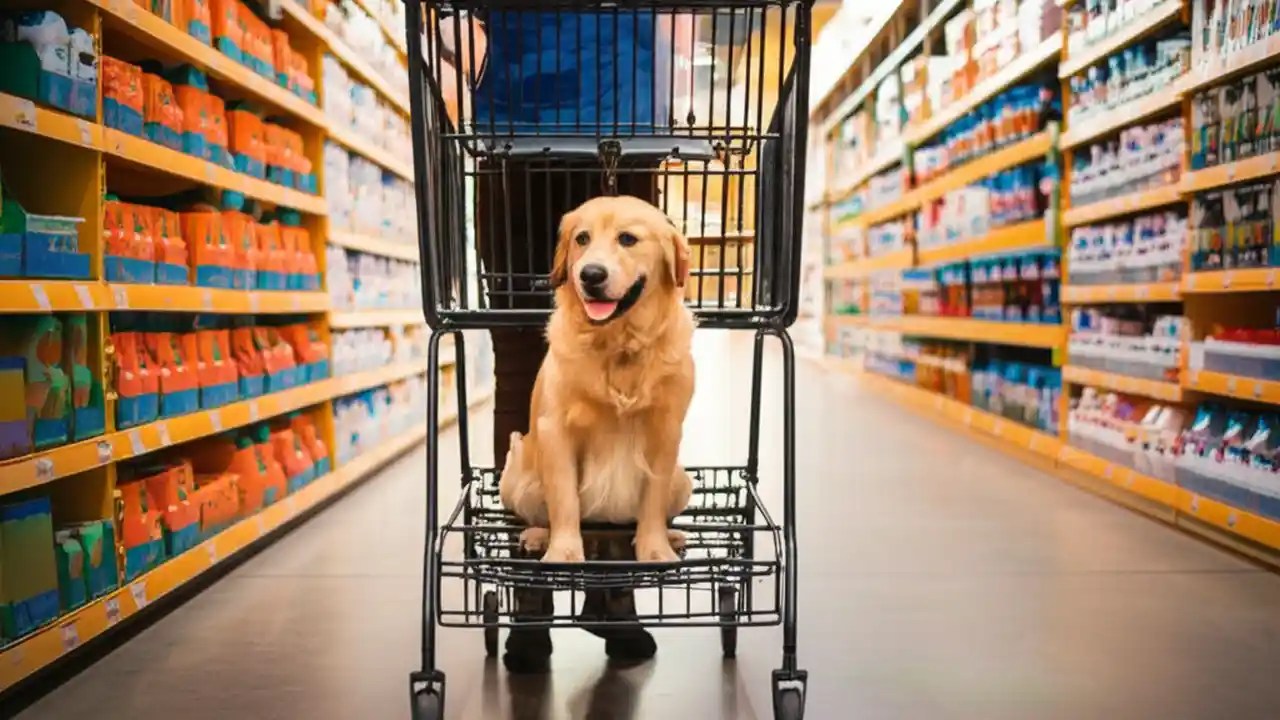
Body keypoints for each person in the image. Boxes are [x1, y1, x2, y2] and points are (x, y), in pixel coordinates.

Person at [436, 10, 679, 672]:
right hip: (615, 121)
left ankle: (553, 590)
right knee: (579, 364)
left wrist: (466, 66)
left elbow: (453, 27)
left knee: (590, 367)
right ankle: (579, 587)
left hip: (532, 121)